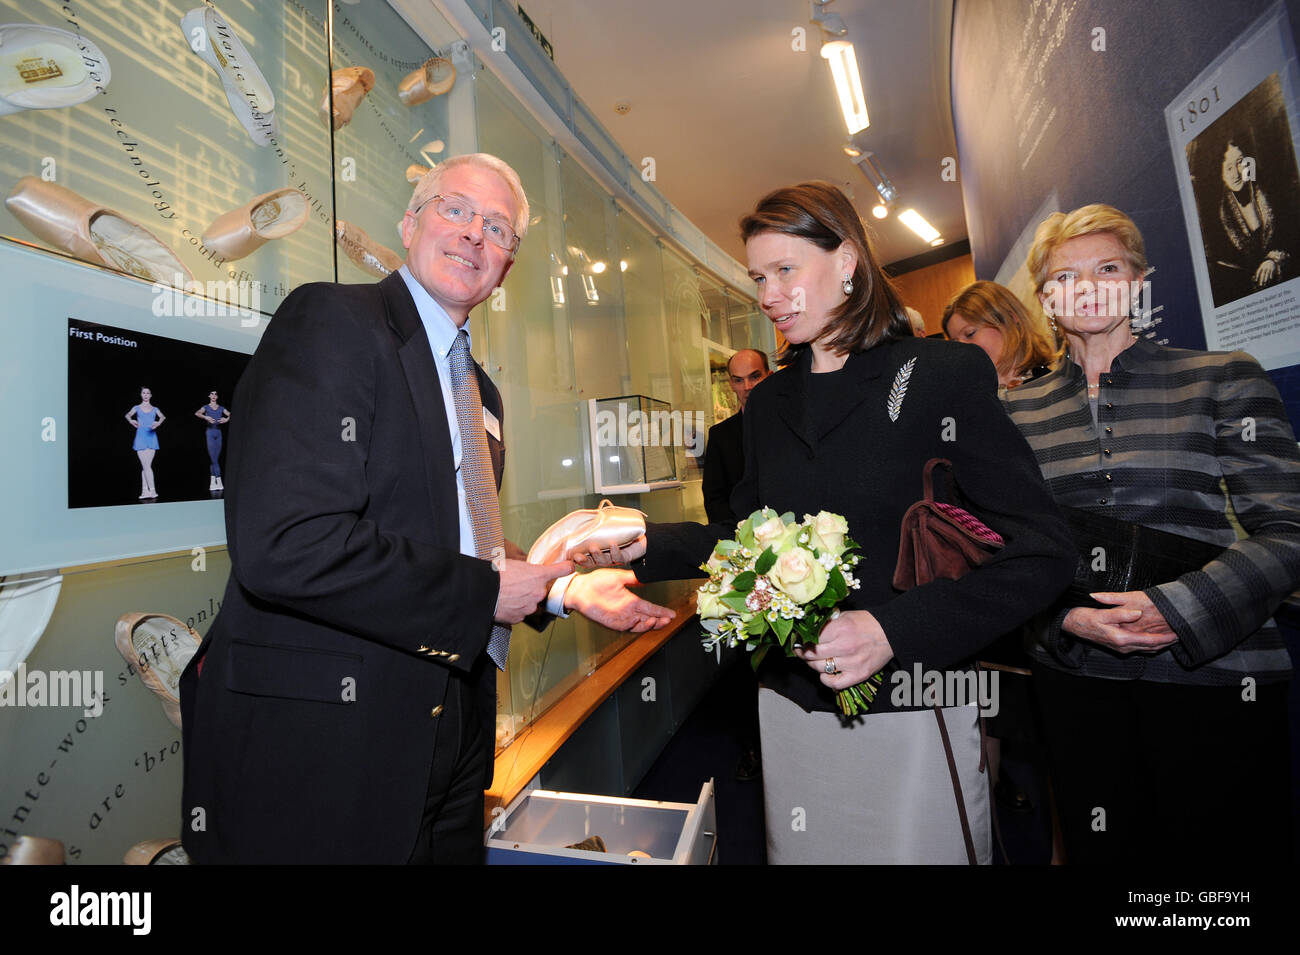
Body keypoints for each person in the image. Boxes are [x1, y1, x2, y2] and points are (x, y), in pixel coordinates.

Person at [179, 154, 673, 864]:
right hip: (325, 749)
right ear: (411, 223)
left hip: (455, 731)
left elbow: (457, 547)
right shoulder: (332, 322)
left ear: (506, 267)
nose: (476, 233)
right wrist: (488, 590)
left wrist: (563, 590)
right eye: (456, 209)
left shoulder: (484, 397)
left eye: (498, 227)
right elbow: (286, 543)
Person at [578, 181, 1075, 864]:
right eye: (758, 275)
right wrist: (642, 542)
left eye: (785, 269)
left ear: (847, 262)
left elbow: (1043, 549)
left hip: (911, 703)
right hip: (790, 706)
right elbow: (751, 537)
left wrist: (890, 630)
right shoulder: (768, 403)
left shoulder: (939, 373)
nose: (767, 292)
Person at [1004, 202, 1300, 864]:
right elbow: (1005, 553)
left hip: (1219, 677)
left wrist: (1177, 607)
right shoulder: (1012, 414)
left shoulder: (1221, 377)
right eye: (1066, 275)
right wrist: (1067, 619)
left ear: (1139, 280)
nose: (1088, 286)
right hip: (1078, 684)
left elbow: (1289, 527)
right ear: (1047, 297)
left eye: (1108, 267)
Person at [1208, 135, 1292, 305]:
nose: (1236, 173)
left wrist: (1273, 260)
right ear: (1221, 173)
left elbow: (1291, 234)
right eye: (1229, 168)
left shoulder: (1273, 193)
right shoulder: (1217, 215)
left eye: (1239, 162)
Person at [942, 280, 1060, 392]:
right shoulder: (963, 398)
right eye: (955, 343)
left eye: (970, 334)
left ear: (1011, 319)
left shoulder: (1054, 386)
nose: (961, 348)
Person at [701, 348, 771, 524]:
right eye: (739, 380)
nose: (747, 387)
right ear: (731, 385)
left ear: (769, 376)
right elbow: (714, 498)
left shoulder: (793, 424)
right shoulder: (720, 435)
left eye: (755, 377)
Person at [125, 387, 164, 500]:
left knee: (146, 467)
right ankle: (152, 491)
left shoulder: (155, 408)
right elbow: (127, 415)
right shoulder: (136, 408)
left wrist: (158, 423)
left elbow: (162, 416)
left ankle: (144, 492)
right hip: (141, 438)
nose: (146, 395)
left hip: (151, 438)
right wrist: (131, 420)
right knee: (146, 466)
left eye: (148, 393)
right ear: (141, 395)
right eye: (144, 393)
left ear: (151, 395)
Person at [194, 390, 230, 492]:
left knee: (215, 459)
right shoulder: (206, 407)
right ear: (209, 396)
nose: (214, 396)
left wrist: (227, 419)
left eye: (215, 394)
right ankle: (219, 481)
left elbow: (230, 414)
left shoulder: (221, 408)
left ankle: (212, 483)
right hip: (210, 433)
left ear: (217, 397)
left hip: (218, 434)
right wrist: (206, 417)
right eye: (212, 394)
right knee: (214, 459)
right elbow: (197, 413)